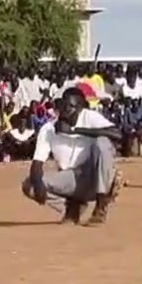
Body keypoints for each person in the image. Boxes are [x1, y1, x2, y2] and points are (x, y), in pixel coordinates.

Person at [22, 87, 124, 226]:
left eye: (70, 106)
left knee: (102, 142)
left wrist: (74, 131)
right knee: (30, 185)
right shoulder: (48, 129)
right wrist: (39, 185)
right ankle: (72, 208)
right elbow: (37, 164)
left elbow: (117, 134)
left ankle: (101, 205)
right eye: (63, 105)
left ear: (80, 108)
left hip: (93, 175)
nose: (64, 110)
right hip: (71, 178)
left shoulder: (89, 117)